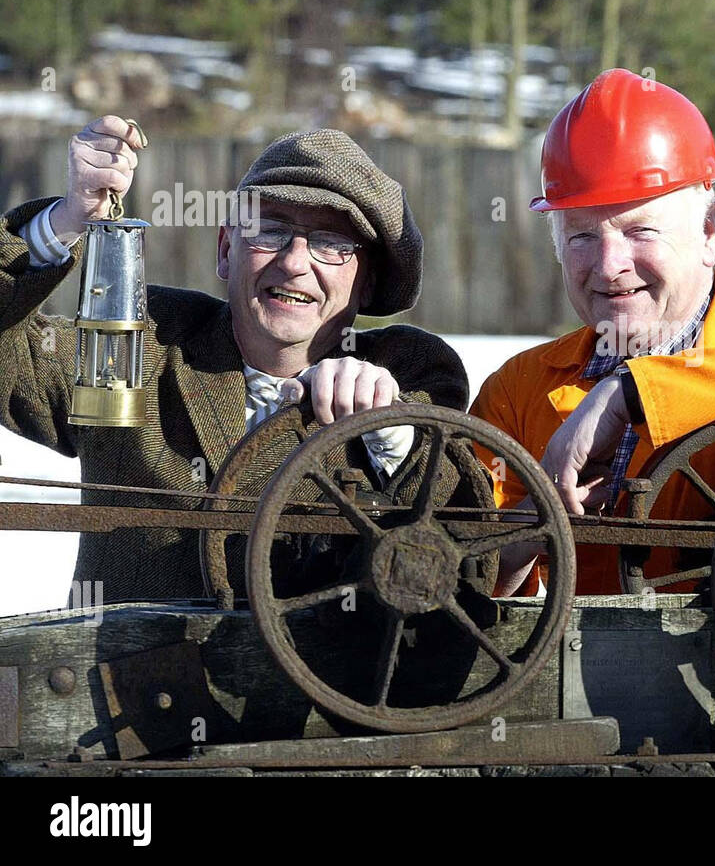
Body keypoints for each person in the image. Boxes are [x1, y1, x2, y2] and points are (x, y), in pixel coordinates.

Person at [0, 116, 469, 600]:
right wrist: (62, 224)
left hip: (314, 677)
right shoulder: (139, 341)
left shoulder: (413, 373)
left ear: (367, 281)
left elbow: (467, 555)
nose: (293, 262)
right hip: (128, 673)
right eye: (269, 231)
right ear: (226, 249)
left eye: (332, 245)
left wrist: (392, 432)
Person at [471, 69, 715, 595]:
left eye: (641, 230)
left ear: (709, 232)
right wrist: (533, 524)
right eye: (582, 236)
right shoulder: (518, 390)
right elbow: (465, 581)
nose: (609, 265)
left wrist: (629, 392)